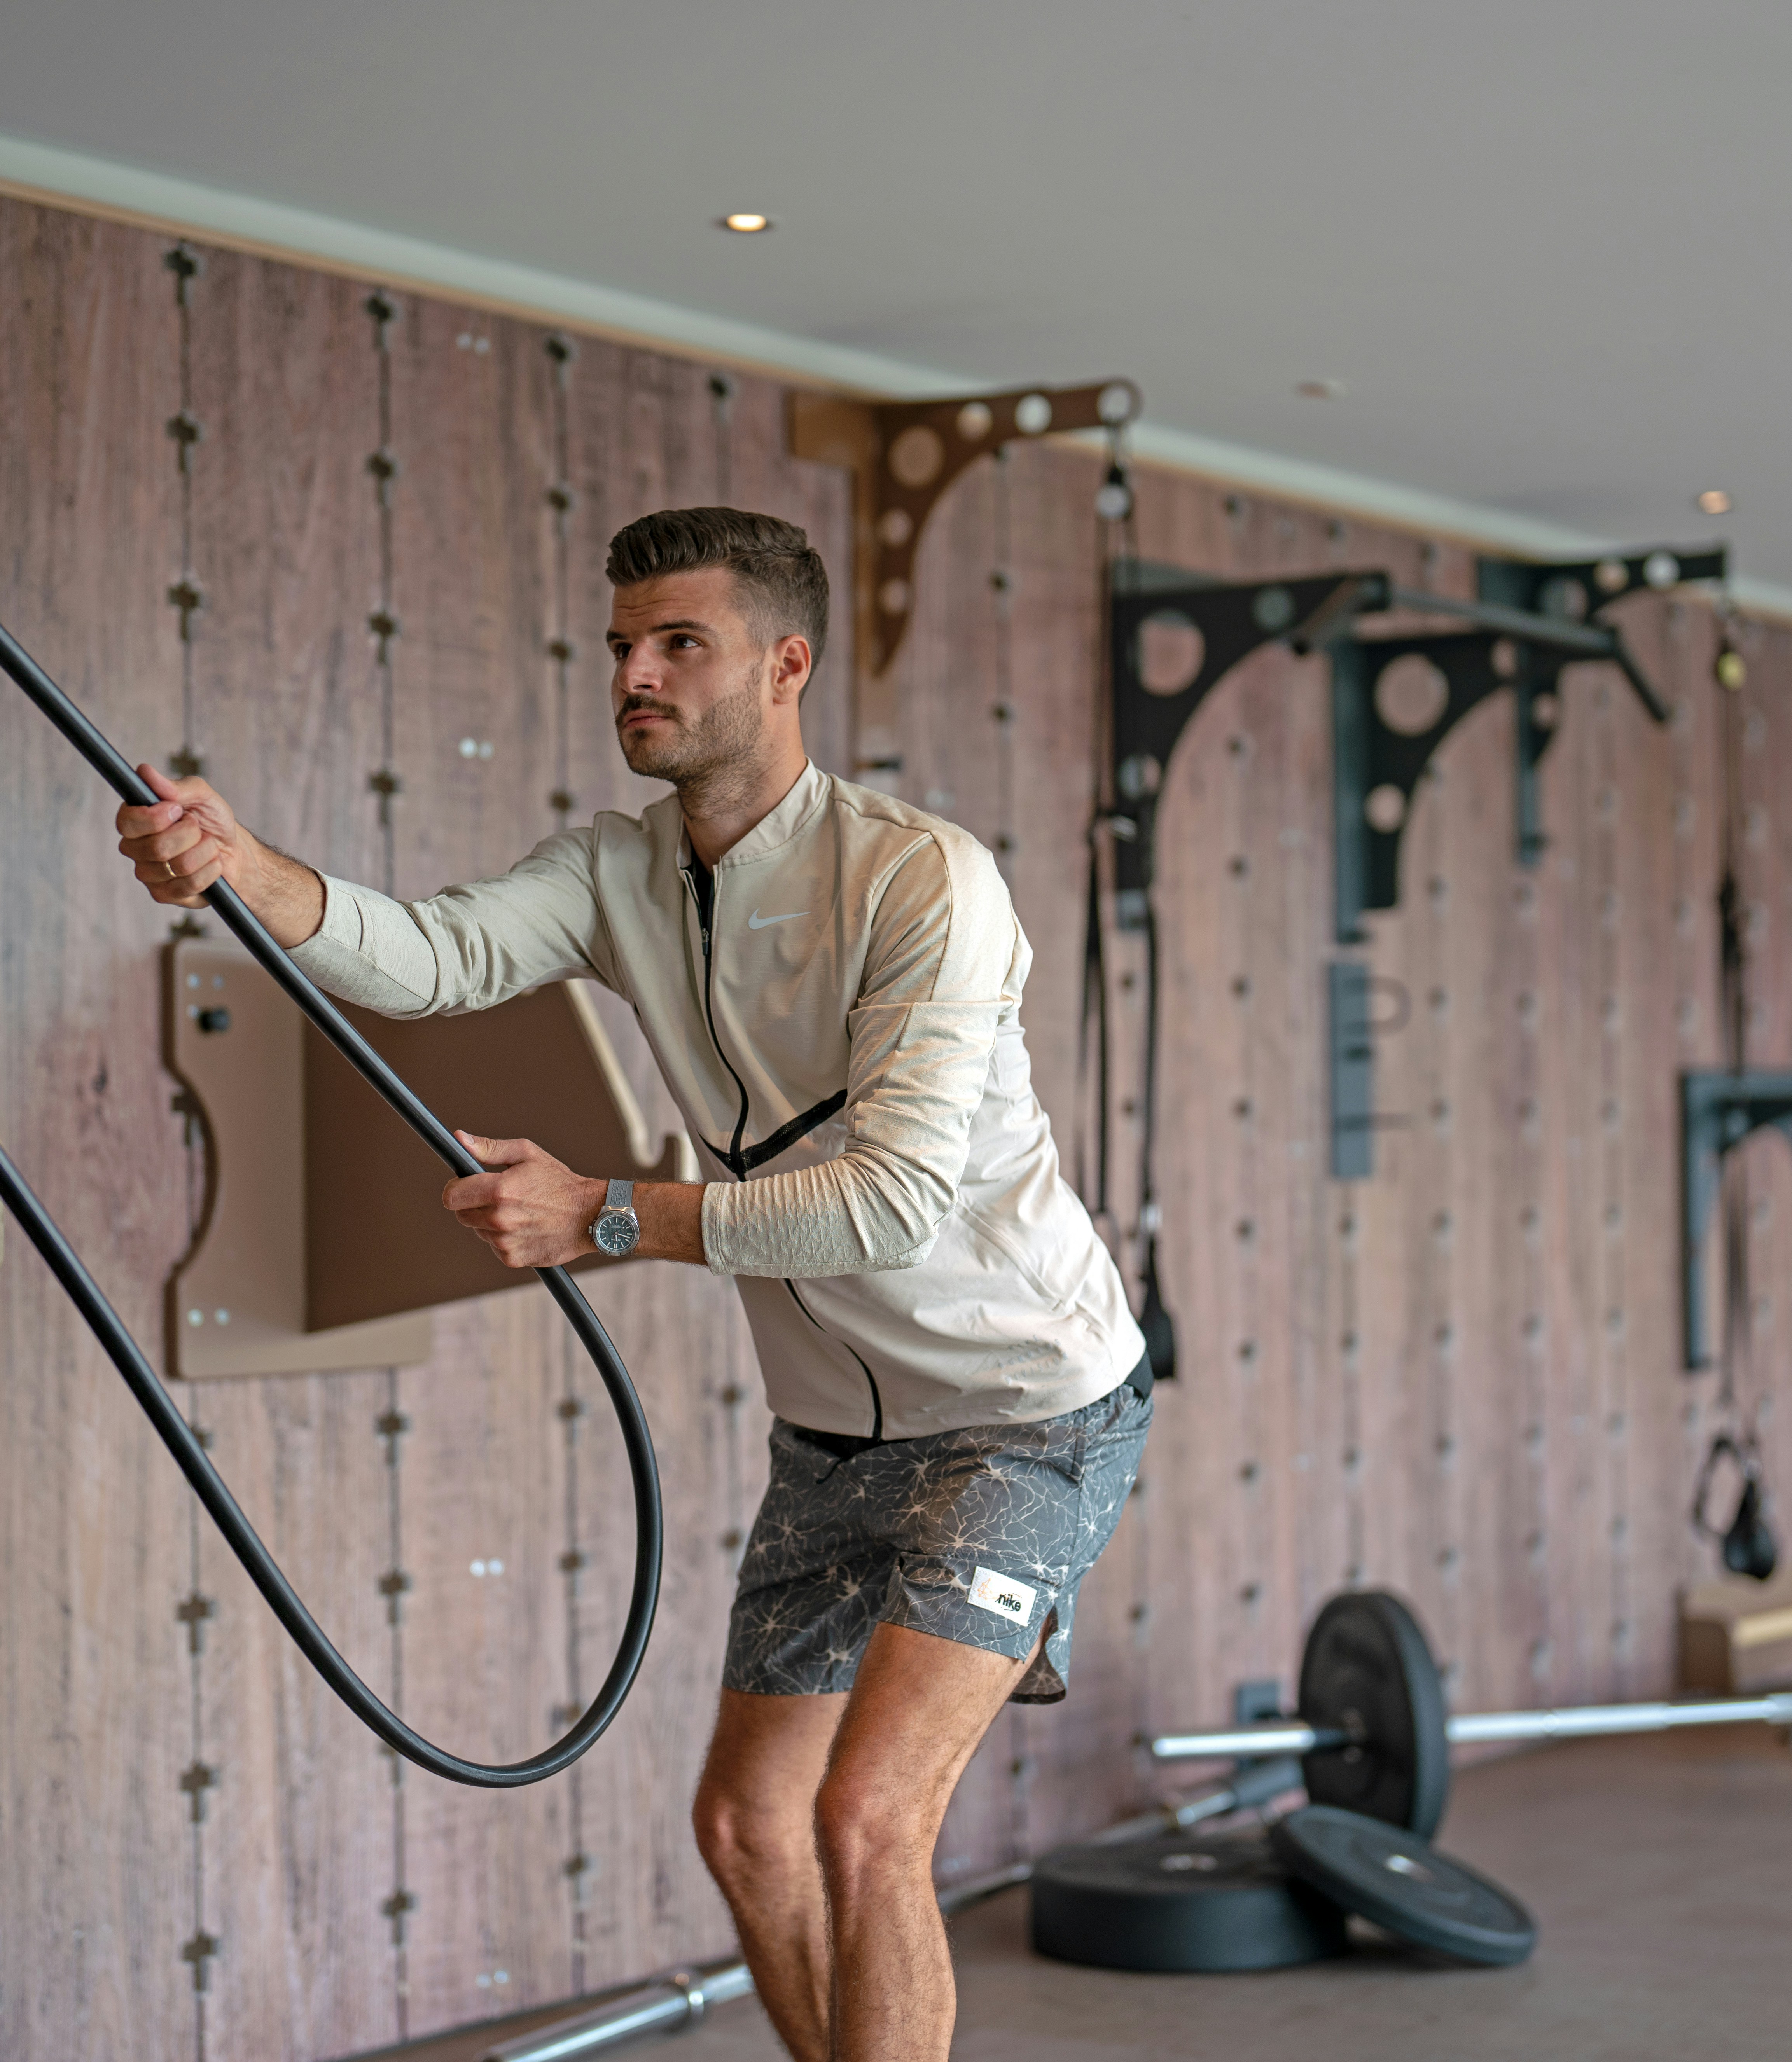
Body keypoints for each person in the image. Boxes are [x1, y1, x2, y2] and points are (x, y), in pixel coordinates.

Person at [114, 507, 1148, 2062]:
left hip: (1021, 1409)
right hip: (834, 1439)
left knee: (867, 1821)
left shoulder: (920, 882)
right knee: (746, 1826)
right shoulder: (620, 870)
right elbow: (429, 957)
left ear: (784, 666)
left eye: (680, 645)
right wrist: (235, 863)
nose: (634, 677)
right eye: (619, 649)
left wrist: (604, 1217)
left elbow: (889, 1204)